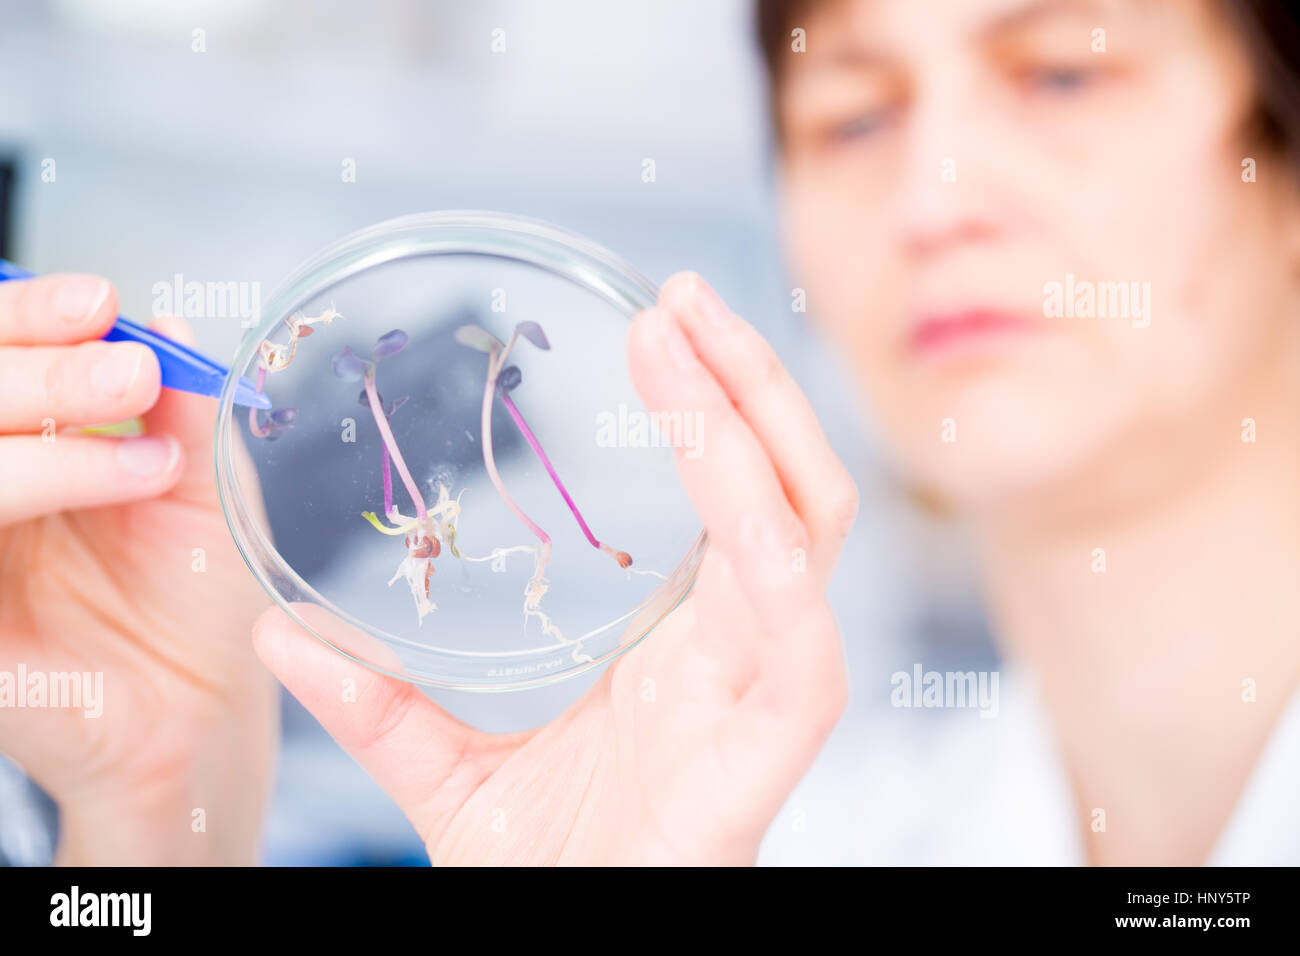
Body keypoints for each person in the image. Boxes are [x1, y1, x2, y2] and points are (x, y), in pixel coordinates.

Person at [2, 0, 1296, 865]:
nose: (932, 197)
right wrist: (155, 813)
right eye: (853, 113)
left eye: (1064, 74)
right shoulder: (806, 834)